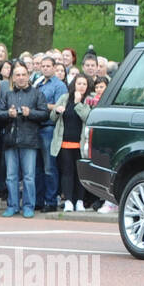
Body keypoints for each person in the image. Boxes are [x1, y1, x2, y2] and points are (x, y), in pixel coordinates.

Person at [0, 63, 48, 217]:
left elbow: (45, 114)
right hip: (10, 140)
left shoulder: (37, 94)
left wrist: (30, 113)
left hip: (29, 139)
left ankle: (28, 206)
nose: (20, 78)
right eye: (17, 75)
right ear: (13, 77)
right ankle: (12, 206)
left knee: (28, 176)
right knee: (11, 176)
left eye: (23, 75)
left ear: (28, 76)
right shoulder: (7, 94)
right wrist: (8, 113)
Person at [51, 74, 92, 212]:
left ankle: (79, 201)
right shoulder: (64, 98)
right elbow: (52, 117)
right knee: (67, 172)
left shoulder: (88, 100)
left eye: (84, 84)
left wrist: (78, 103)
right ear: (74, 84)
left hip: (81, 144)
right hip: (64, 143)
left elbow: (87, 117)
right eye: (79, 83)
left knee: (80, 173)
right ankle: (68, 200)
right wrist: (57, 111)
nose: (81, 86)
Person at [35, 54, 66, 211]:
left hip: (49, 128)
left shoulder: (59, 85)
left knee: (49, 167)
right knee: (37, 168)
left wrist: (42, 106)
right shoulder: (39, 83)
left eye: (48, 66)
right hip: (35, 128)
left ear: (54, 68)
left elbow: (61, 107)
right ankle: (38, 200)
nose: (45, 68)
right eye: (43, 66)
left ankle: (51, 201)